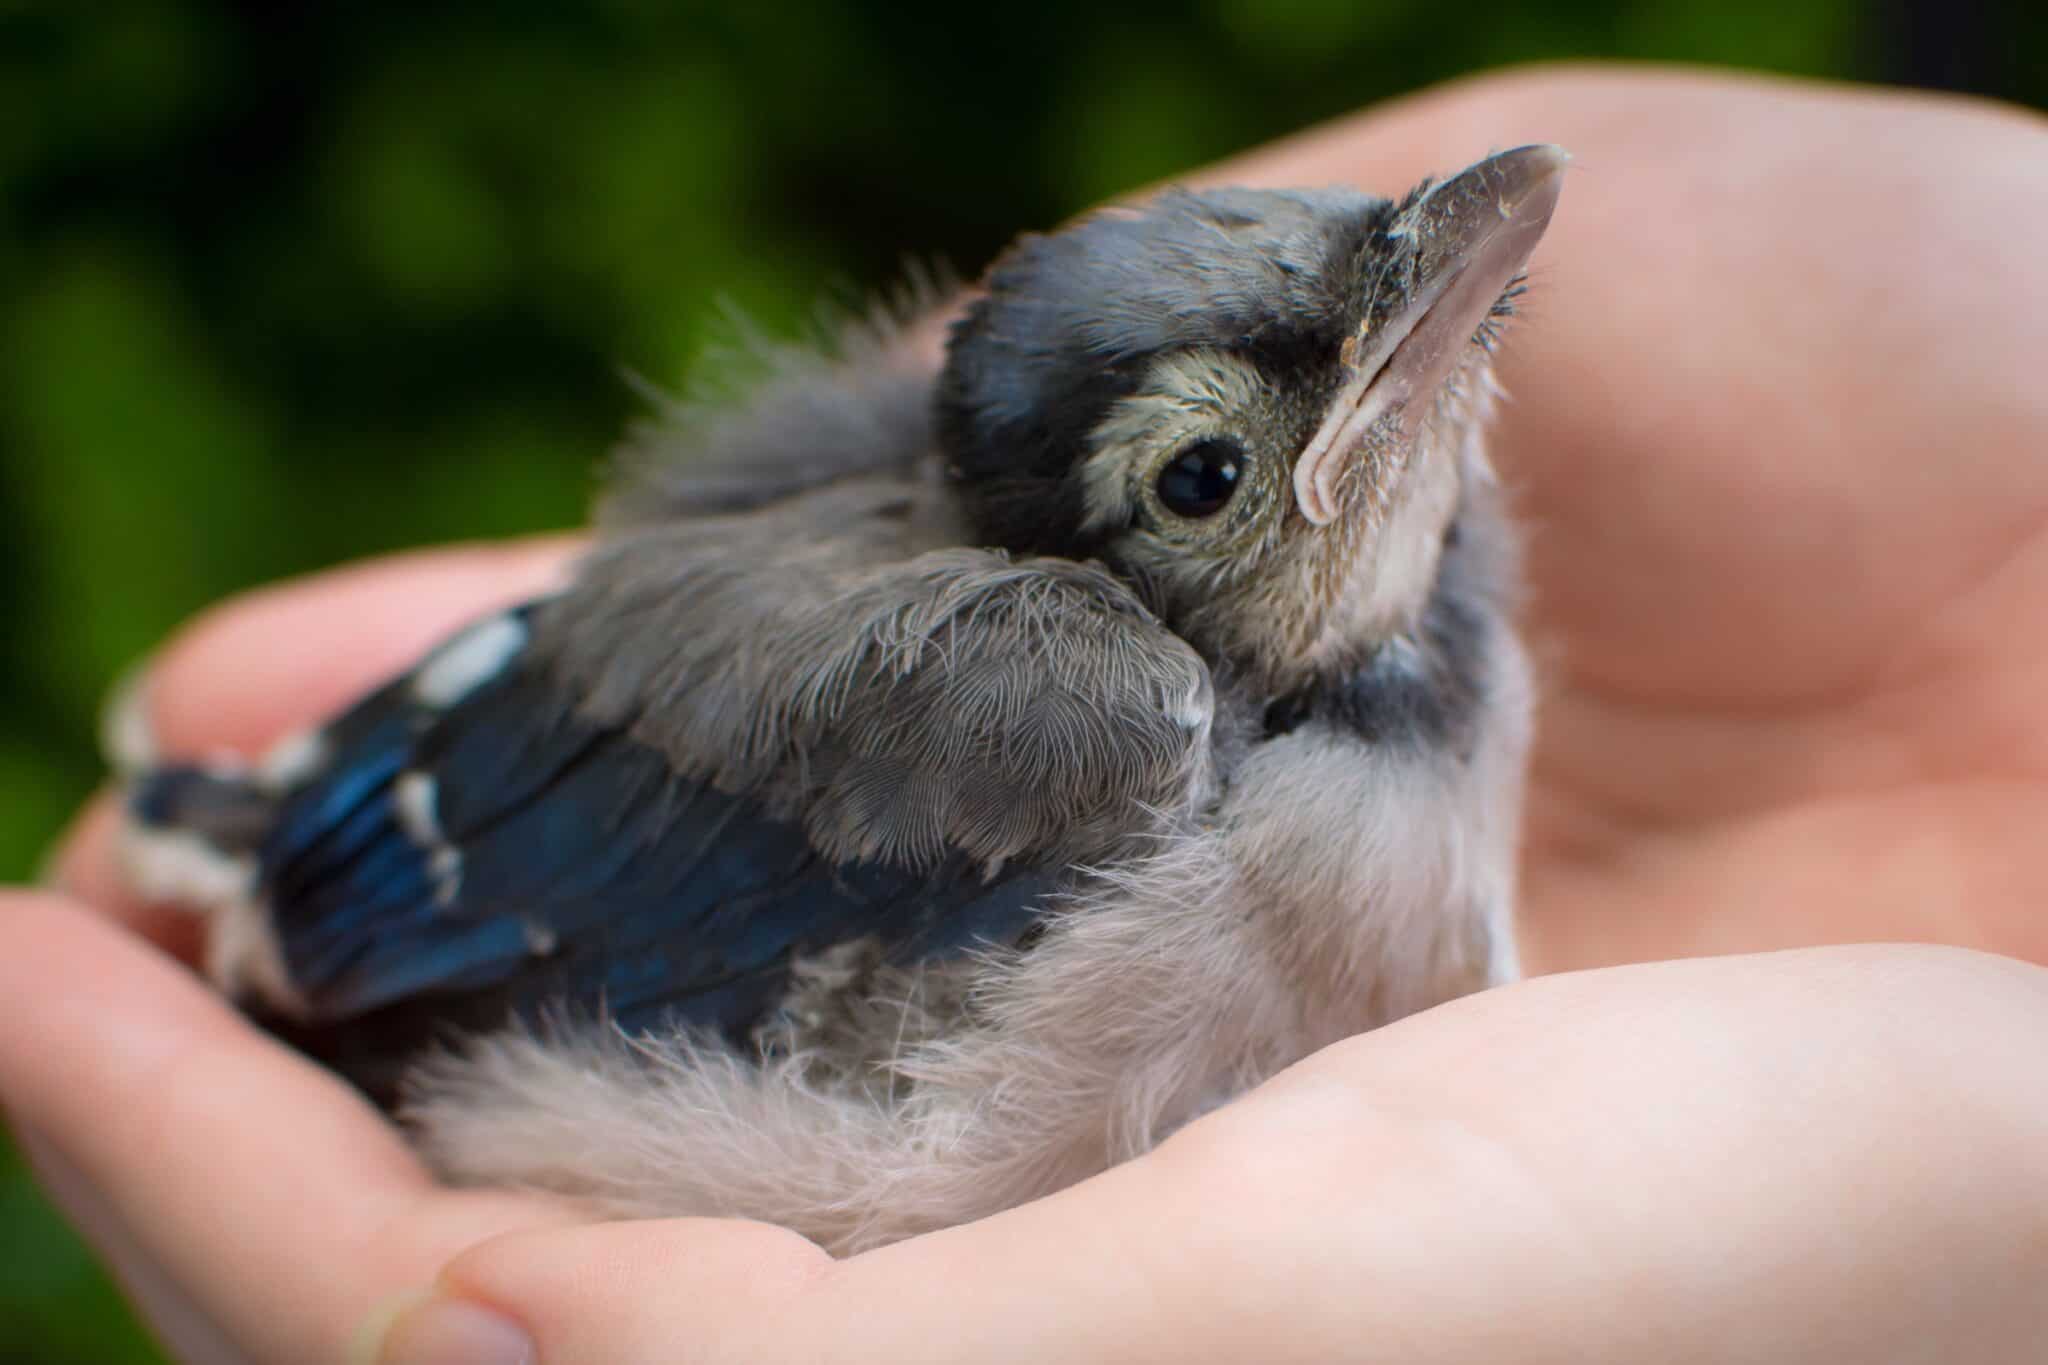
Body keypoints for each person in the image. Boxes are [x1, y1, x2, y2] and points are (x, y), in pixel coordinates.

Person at [7, 63, 2047, 1364]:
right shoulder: (1082, 735)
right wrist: (269, 893)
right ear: (1124, 560)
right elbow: (466, 962)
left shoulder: (1449, 604)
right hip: (424, 884)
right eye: (1206, 474)